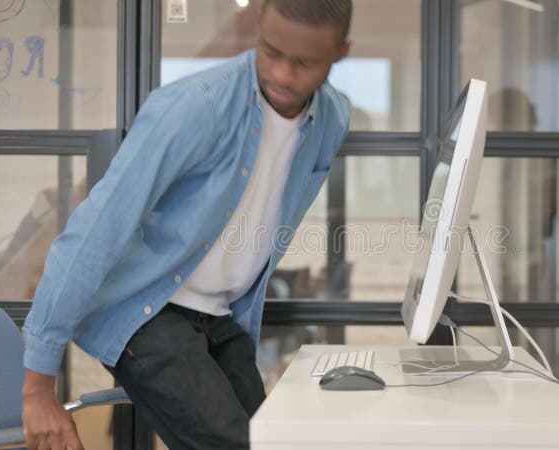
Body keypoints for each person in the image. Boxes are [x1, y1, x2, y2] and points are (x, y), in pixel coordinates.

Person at [20, 1, 353, 448]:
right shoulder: (196, 107)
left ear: (340, 53)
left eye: (305, 63)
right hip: (147, 313)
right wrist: (38, 386)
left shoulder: (332, 119)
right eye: (271, 52)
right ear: (258, 29)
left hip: (220, 317)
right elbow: (96, 232)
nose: (283, 75)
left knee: (277, 440)